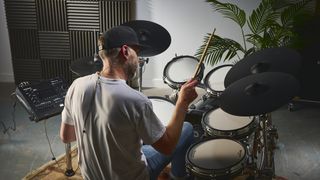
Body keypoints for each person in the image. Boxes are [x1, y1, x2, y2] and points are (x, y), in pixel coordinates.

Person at [60, 25, 198, 180]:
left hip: (90, 176)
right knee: (186, 128)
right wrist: (182, 102)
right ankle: (177, 176)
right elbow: (167, 146)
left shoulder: (77, 85)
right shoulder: (135, 100)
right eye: (137, 53)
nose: (138, 60)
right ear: (125, 51)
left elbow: (67, 136)